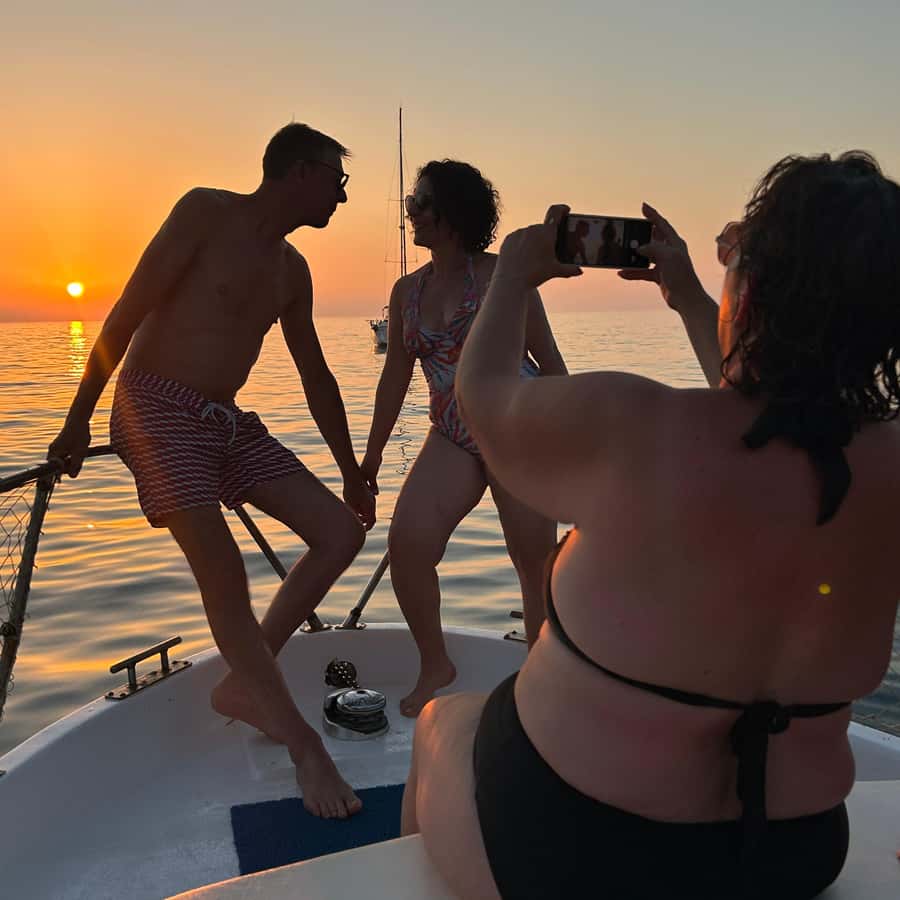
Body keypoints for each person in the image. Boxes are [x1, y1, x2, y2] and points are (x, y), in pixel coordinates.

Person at [401, 152, 900, 898]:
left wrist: (513, 276)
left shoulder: (633, 425)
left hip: (579, 854)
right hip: (793, 852)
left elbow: (485, 395)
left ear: (752, 289)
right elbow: (775, 419)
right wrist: (692, 297)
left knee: (442, 721)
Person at [47, 123, 376, 820]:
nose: (343, 198)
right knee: (223, 572)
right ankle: (303, 745)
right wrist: (78, 419)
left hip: (223, 419)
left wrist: (352, 471)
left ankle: (245, 685)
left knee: (340, 533)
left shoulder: (292, 271)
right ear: (299, 171)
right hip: (153, 408)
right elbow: (126, 312)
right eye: (337, 181)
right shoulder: (204, 212)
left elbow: (316, 376)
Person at [361, 159, 567, 717]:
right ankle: (436, 665)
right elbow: (394, 379)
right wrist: (371, 458)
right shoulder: (407, 291)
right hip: (452, 432)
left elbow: (549, 362)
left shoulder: (505, 275)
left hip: (518, 429)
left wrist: (575, 442)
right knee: (407, 547)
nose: (412, 213)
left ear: (453, 212)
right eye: (412, 203)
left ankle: (543, 687)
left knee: (534, 565)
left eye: (421, 203)